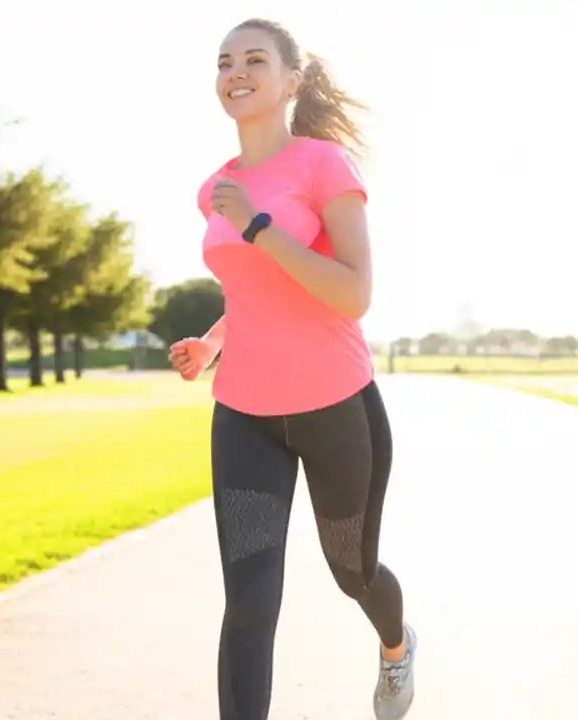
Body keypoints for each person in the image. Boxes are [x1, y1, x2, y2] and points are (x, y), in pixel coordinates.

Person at [168, 17, 416, 720]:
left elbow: (352, 293)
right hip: (245, 416)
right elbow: (253, 291)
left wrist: (259, 225)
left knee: (352, 570)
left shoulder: (323, 166)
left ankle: (397, 646)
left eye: (253, 59)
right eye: (224, 62)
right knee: (249, 598)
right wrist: (213, 343)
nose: (235, 72)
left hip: (335, 409)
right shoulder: (215, 187)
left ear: (291, 82)